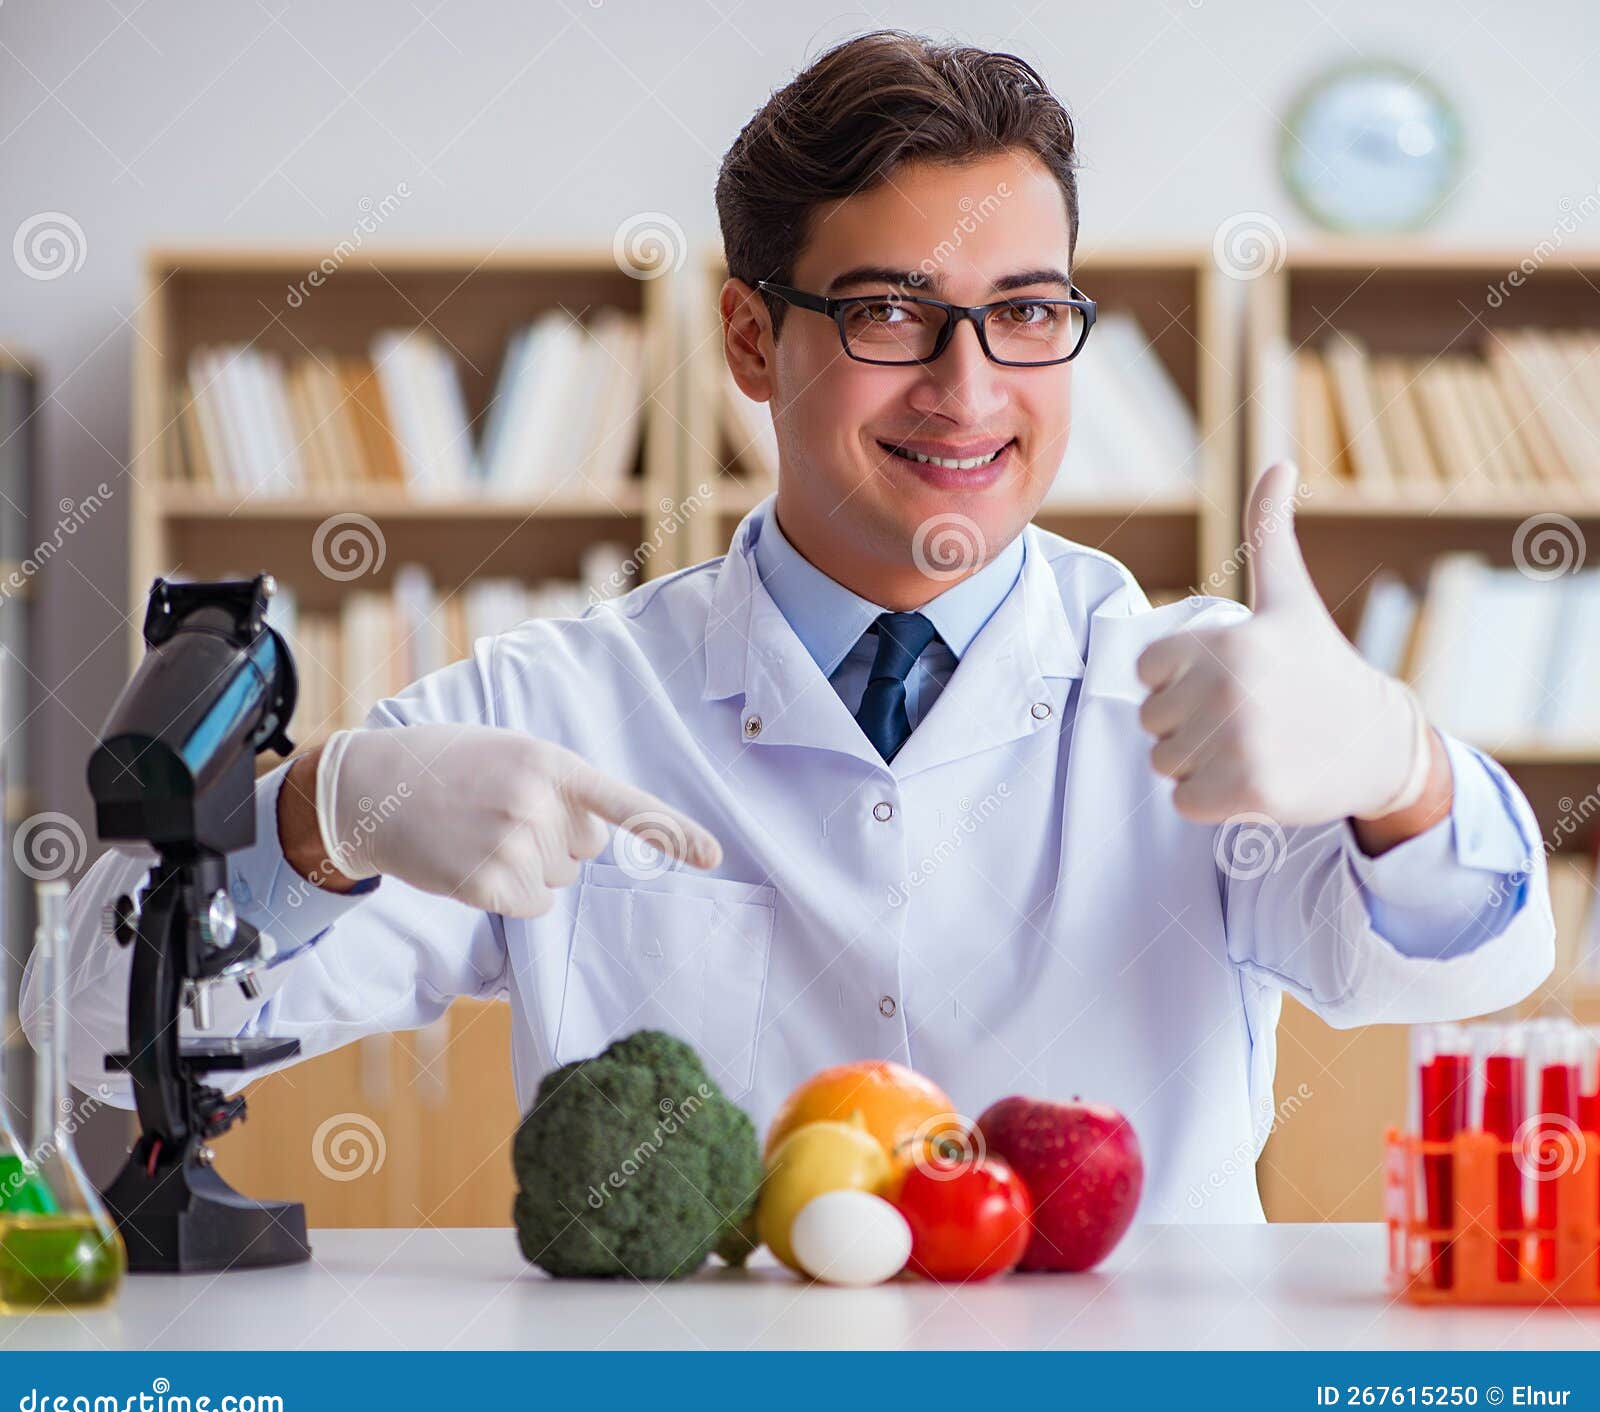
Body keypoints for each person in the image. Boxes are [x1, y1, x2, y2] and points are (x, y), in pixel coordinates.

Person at [26, 30, 1551, 1224]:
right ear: (753, 339)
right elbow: (88, 1028)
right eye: (891, 310)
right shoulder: (558, 704)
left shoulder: (1210, 694)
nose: (968, 389)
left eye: (1028, 311)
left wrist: (1400, 768)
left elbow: (1468, 967)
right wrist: (319, 812)